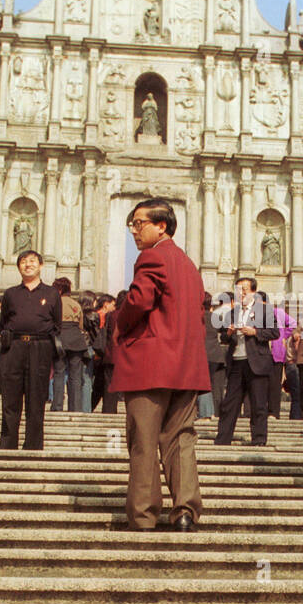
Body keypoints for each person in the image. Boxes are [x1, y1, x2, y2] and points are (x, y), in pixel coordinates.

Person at [109, 200, 211, 531]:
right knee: (180, 438)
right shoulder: (188, 264)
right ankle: (184, 510)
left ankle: (144, 514)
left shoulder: (152, 256)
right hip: (185, 365)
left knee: (144, 440)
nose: (135, 231)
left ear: (161, 226)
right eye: (132, 225)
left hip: (151, 363)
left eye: (139, 223)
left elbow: (139, 300)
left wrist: (119, 323)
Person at [0, 250, 61, 449]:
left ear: (41, 266)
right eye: (23, 261)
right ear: (18, 267)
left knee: (36, 399)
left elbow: (57, 323)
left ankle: (33, 445)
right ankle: (8, 445)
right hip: (14, 347)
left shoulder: (51, 293)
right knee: (10, 399)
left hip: (40, 347)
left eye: (32, 261)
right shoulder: (10, 293)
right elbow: (4, 321)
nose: (28, 265)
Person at [214, 277, 279, 446]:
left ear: (253, 292)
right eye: (238, 290)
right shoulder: (232, 313)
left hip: (257, 362)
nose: (241, 293)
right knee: (230, 403)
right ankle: (223, 438)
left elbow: (274, 332)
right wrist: (228, 333)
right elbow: (223, 337)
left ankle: (258, 439)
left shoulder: (264, 311)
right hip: (236, 361)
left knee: (258, 403)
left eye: (244, 289)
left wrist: (255, 332)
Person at [51, 276, 89, 412]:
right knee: (75, 376)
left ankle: (57, 406)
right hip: (76, 340)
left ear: (59, 289)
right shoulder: (76, 305)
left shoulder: (55, 303)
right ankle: (76, 407)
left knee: (59, 373)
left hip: (60, 340)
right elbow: (81, 325)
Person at [266, 294, 296, 418]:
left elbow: (293, 323)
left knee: (274, 383)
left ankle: (273, 411)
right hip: (260, 353)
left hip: (276, 352)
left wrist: (284, 336)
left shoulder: (278, 312)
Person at [197, 291, 224, 419]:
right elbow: (226, 331)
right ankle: (216, 412)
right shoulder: (215, 317)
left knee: (202, 384)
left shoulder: (196, 317)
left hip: (201, 354)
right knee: (216, 385)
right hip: (217, 355)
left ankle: (205, 412)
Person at [90, 294, 117, 412]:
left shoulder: (100, 315)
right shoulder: (103, 316)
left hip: (101, 353)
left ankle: (90, 406)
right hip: (103, 353)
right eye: (113, 304)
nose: (114, 307)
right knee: (101, 383)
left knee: (99, 384)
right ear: (106, 304)